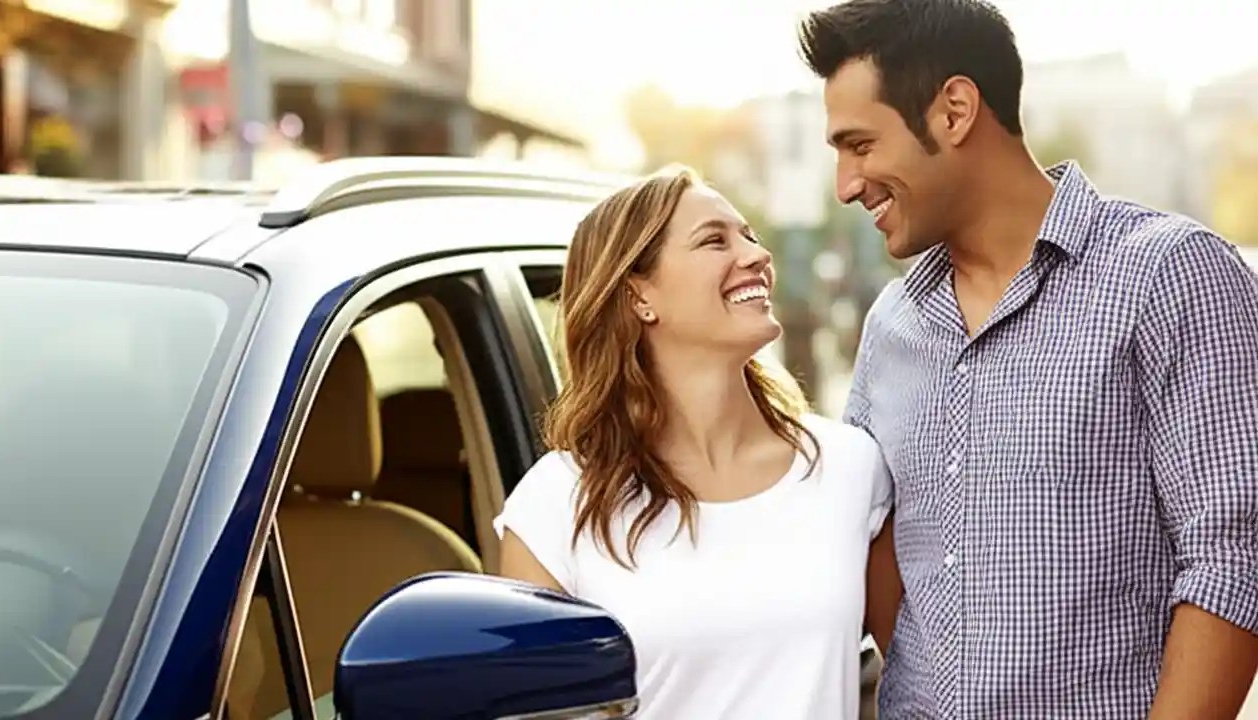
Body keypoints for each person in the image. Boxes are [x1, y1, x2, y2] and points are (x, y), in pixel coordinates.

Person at [798, 0, 1258, 718]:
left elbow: (1232, 559)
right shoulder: (892, 326)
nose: (846, 185)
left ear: (954, 110)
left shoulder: (1169, 276)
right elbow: (878, 540)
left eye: (860, 145)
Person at [494, 165, 902, 719]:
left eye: (750, 236)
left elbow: (917, 679)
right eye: (715, 240)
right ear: (639, 295)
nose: (757, 256)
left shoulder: (850, 467)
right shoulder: (556, 507)